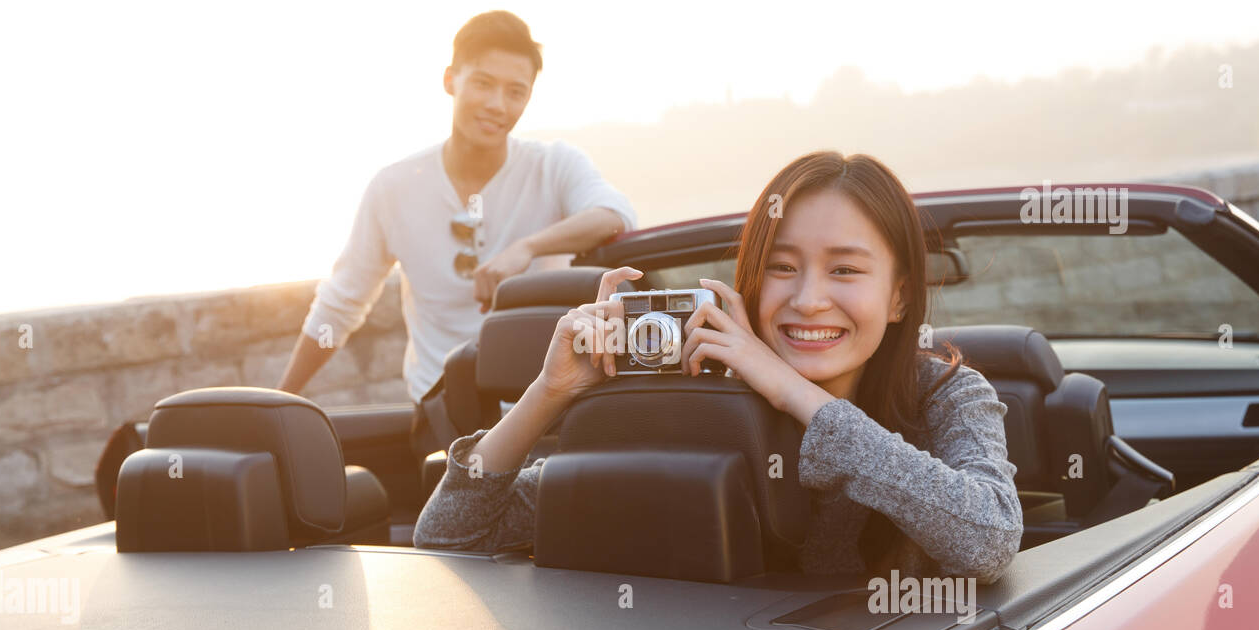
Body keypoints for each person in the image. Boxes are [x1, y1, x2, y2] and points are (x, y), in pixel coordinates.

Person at [413, 152, 1023, 584]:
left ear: (898, 297)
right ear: (752, 284)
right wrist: (548, 394)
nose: (809, 298)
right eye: (783, 268)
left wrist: (790, 391)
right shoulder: (700, 399)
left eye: (845, 270)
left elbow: (989, 538)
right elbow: (449, 538)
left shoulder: (947, 392)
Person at [277, 10, 637, 405]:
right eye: (483, 84)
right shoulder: (393, 188)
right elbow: (341, 303)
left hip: (546, 404)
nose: (498, 105)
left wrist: (526, 248)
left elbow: (614, 214)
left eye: (516, 91)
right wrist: (278, 401)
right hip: (443, 412)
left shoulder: (553, 165)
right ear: (450, 80)